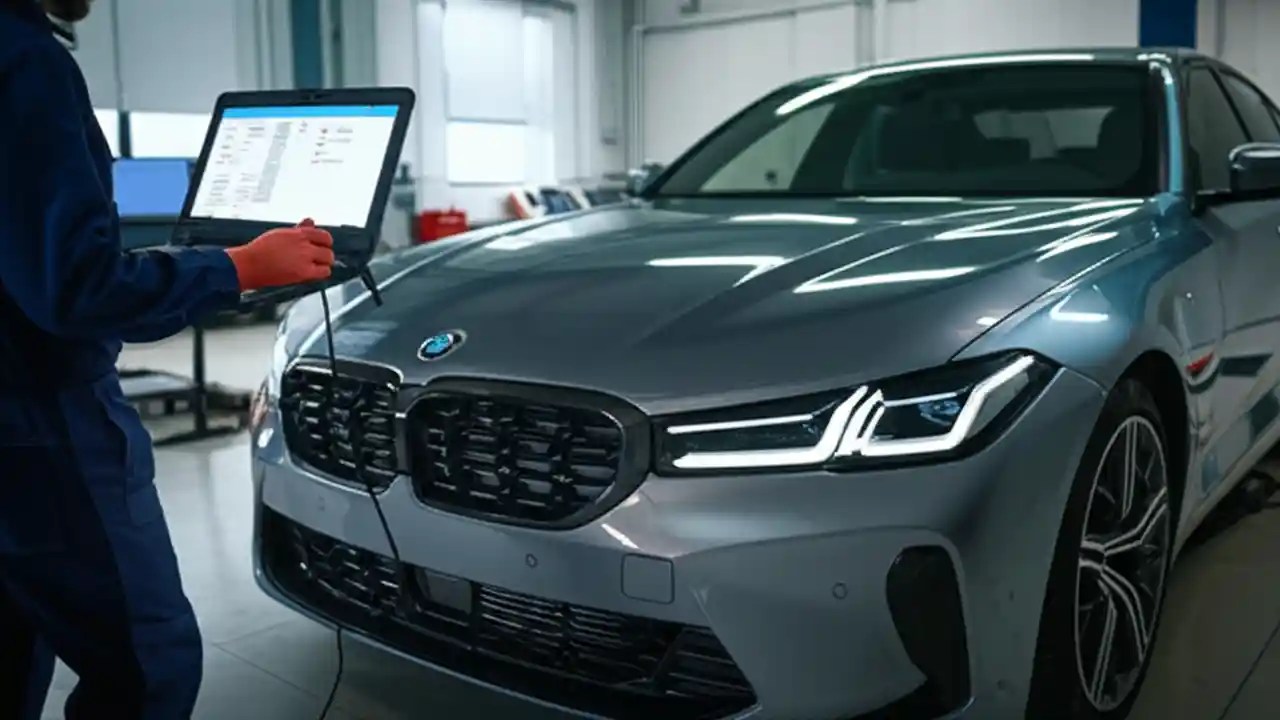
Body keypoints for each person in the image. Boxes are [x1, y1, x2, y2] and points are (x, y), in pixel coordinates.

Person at [0, 1, 335, 718]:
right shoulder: (26, 63)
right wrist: (240, 267)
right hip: (41, 423)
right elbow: (75, 289)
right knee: (145, 668)